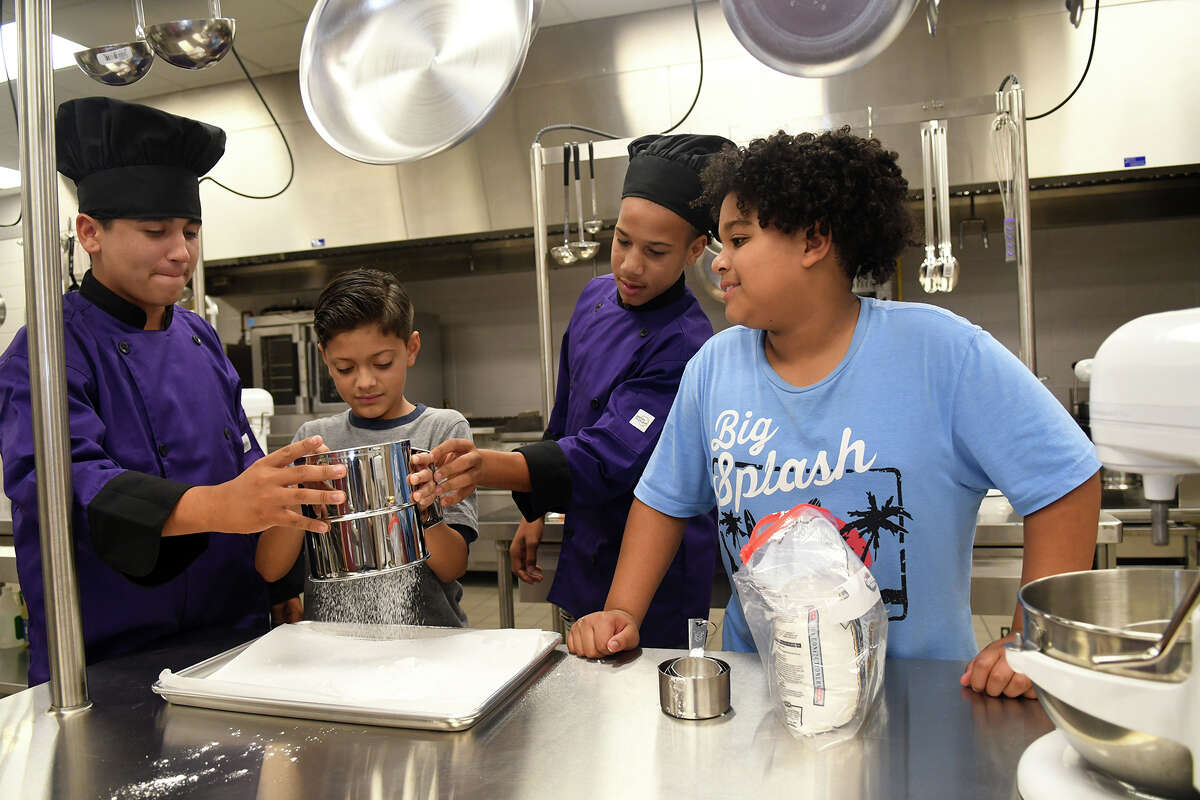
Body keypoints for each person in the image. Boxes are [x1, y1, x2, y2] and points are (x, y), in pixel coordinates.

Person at [563, 129, 1101, 698]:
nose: (721, 263)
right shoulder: (713, 368)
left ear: (813, 241)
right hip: (767, 694)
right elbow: (663, 501)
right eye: (720, 244)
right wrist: (622, 610)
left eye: (740, 239)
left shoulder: (940, 353)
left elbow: (1065, 480)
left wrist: (1034, 638)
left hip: (923, 698)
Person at [0, 97, 345, 685]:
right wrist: (221, 505)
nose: (181, 252)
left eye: (189, 231)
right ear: (90, 233)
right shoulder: (48, 352)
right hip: (108, 658)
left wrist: (282, 578)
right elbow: (69, 488)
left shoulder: (199, 338)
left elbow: (242, 459)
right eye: (156, 231)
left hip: (233, 642)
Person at [411, 134, 730, 648]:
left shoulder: (687, 344)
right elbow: (567, 417)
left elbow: (608, 454)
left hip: (655, 569)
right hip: (586, 540)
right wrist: (537, 510)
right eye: (623, 240)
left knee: (644, 703)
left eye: (655, 251)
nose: (629, 265)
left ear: (695, 249)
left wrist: (490, 466)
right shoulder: (595, 297)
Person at [255, 269, 478, 627]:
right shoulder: (312, 440)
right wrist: (298, 498)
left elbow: (453, 566)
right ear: (325, 359)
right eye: (345, 368)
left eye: (382, 363)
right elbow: (270, 568)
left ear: (412, 348)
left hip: (432, 644)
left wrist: (425, 510)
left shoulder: (442, 430)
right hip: (334, 648)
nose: (365, 381)